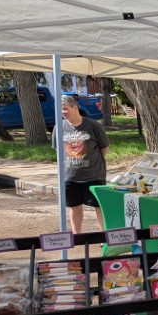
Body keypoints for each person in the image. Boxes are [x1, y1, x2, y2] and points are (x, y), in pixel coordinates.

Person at [53, 94, 110, 234]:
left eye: (65, 109)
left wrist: (90, 162)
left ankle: (105, 238)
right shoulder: (59, 127)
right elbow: (58, 150)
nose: (63, 113)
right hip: (70, 176)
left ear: (75, 108)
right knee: (74, 207)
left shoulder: (92, 125)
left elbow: (104, 148)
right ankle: (77, 236)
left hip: (93, 176)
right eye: (60, 110)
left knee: (99, 207)